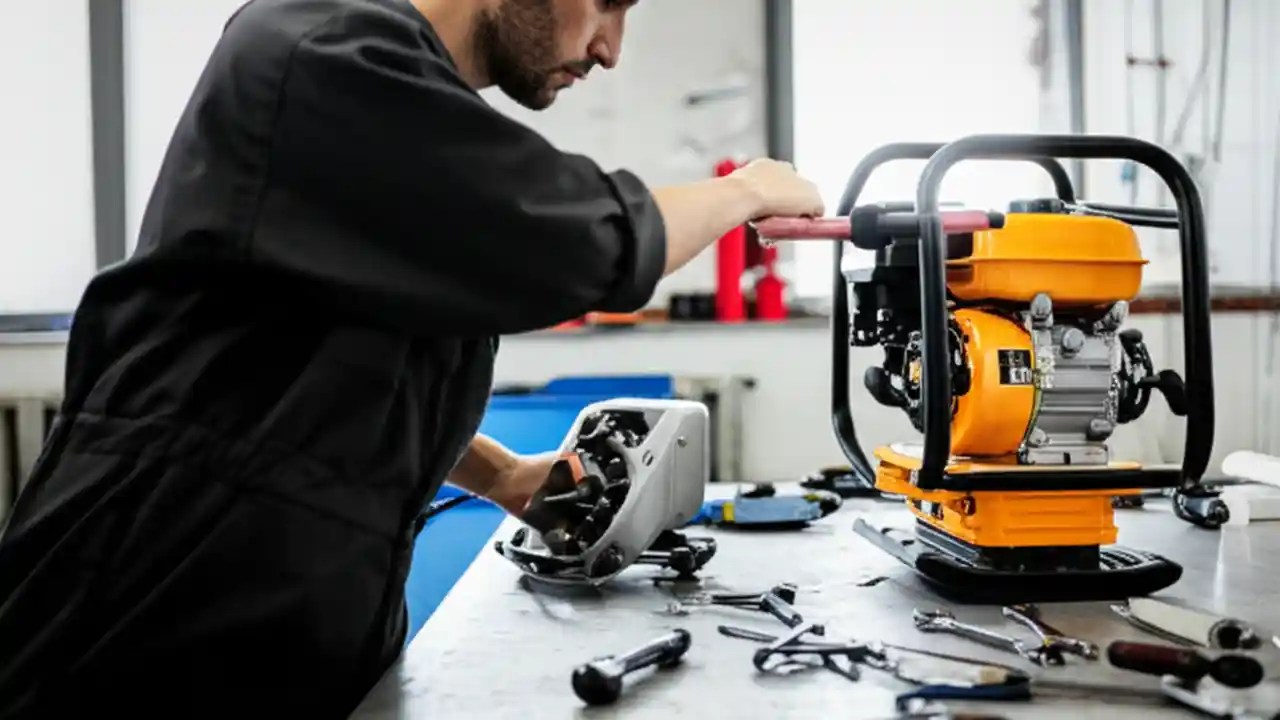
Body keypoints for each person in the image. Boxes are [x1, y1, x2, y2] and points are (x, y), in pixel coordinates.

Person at [0, 0, 823, 716]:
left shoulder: (401, 127)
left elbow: (328, 368)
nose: (609, 47)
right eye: (606, 3)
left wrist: (498, 475)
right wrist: (743, 190)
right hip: (149, 617)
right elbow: (578, 244)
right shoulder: (317, 46)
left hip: (285, 630)